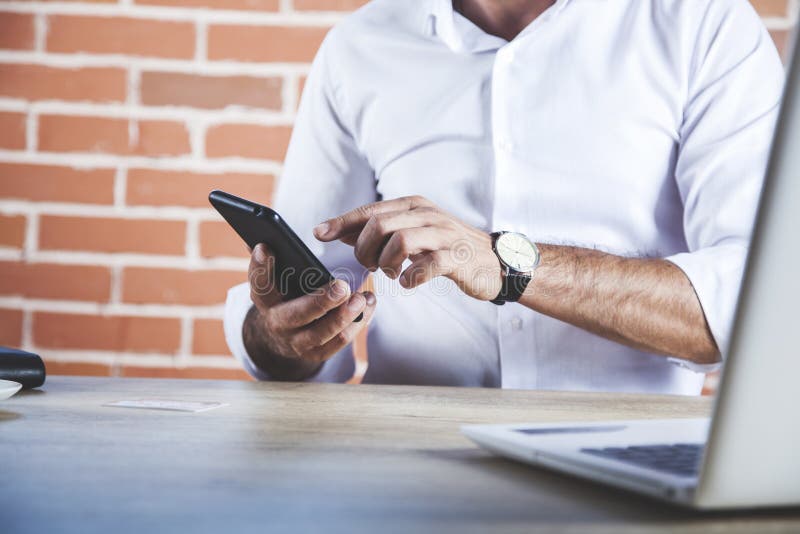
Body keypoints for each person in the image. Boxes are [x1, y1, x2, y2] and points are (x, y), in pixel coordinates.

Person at [223, 0, 784, 393]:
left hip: (625, 479)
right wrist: (275, 336)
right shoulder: (359, 48)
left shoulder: (704, 24)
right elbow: (305, 313)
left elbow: (757, 305)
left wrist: (508, 266)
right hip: (402, 473)